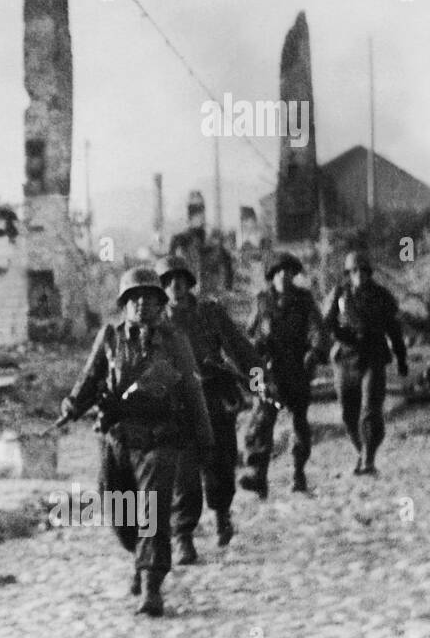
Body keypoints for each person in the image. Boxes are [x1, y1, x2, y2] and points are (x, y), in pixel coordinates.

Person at [60, 266, 213, 616]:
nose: (142, 304)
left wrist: (205, 437)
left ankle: (151, 585)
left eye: (150, 298)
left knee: (153, 510)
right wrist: (72, 405)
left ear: (160, 304)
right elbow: (90, 378)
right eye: (134, 298)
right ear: (124, 304)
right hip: (117, 440)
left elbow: (192, 389)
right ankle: (139, 558)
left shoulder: (175, 341)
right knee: (120, 512)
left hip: (161, 438)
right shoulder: (110, 338)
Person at [156, 255, 263, 557]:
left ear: (190, 283)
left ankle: (221, 515)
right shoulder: (156, 322)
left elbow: (239, 347)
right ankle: (183, 534)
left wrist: (258, 380)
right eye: (167, 281)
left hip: (214, 398)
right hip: (178, 407)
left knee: (220, 465)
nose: (175, 286)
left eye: (180, 280)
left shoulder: (209, 314)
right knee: (184, 473)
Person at [239, 251, 327, 497]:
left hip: (297, 368)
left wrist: (315, 350)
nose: (283, 277)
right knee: (261, 422)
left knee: (299, 423)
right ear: (272, 276)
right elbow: (251, 332)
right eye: (278, 272)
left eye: (288, 272)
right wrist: (255, 349)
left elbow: (317, 329)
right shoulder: (262, 301)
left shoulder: (304, 300)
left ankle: (298, 471)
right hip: (270, 372)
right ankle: (258, 475)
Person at [323, 251, 407, 475]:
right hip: (345, 358)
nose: (358, 274)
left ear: (369, 272)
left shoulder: (382, 296)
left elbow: (394, 330)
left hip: (373, 356)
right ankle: (361, 451)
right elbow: (326, 324)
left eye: (362, 270)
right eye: (353, 271)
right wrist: (341, 337)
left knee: (371, 408)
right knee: (348, 414)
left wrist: (401, 357)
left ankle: (369, 457)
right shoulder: (339, 295)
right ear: (348, 274)